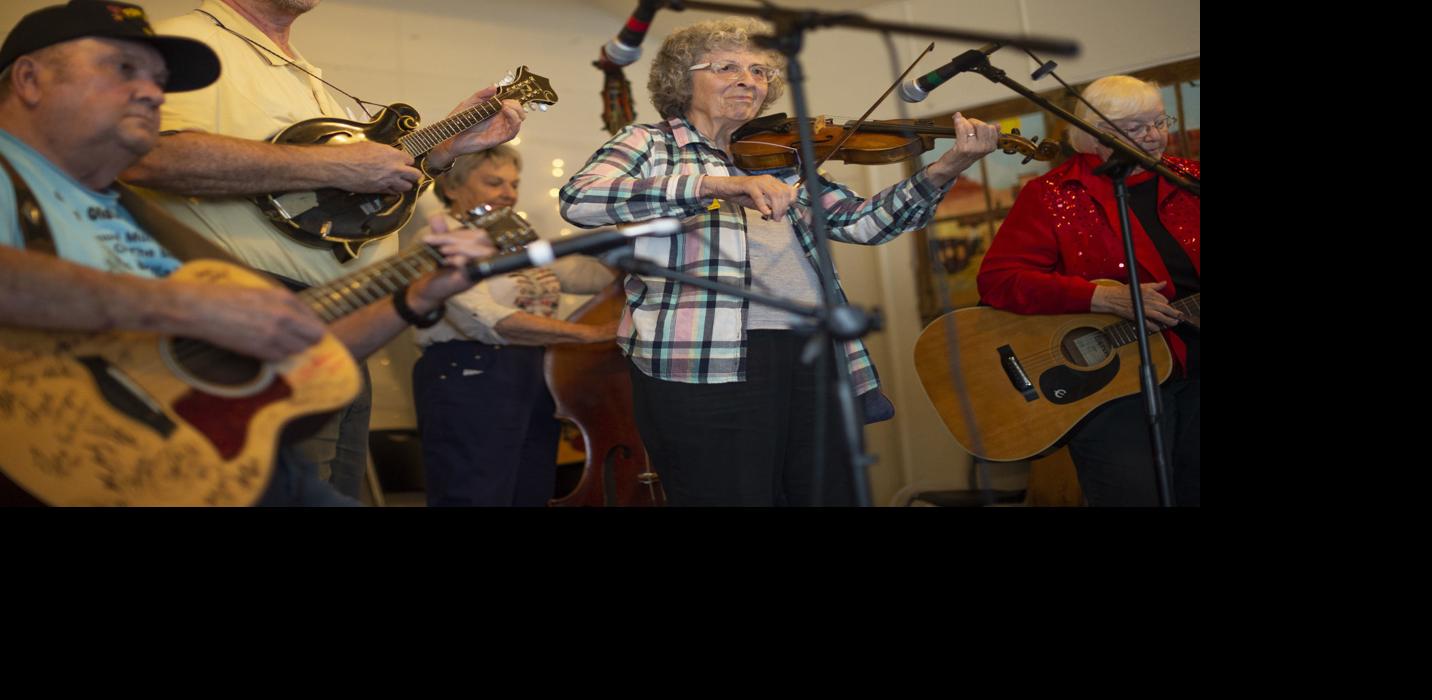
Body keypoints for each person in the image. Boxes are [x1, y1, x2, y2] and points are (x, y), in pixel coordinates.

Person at [0, 0, 497, 506]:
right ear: (29, 80)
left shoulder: (131, 210)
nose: (152, 92)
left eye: (158, 79)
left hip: (205, 424)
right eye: (123, 68)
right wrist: (195, 306)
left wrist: (416, 294)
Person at [559, 16, 1000, 506]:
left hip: (812, 349)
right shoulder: (649, 143)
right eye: (727, 67)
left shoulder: (783, 156)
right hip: (703, 358)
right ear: (683, 79)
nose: (748, 80)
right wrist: (714, 184)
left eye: (759, 71)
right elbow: (580, 198)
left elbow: (863, 222)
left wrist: (945, 169)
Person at [976, 74, 1199, 506]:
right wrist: (1099, 297)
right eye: (1136, 128)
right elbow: (999, 281)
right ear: (1096, 136)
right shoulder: (1051, 195)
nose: (1154, 135)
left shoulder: (1191, 181)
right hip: (1114, 386)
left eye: (1159, 121)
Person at [412, 145, 619, 506]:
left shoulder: (515, 236)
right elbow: (485, 319)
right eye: (494, 183)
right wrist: (592, 334)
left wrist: (628, 239)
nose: (508, 193)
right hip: (470, 371)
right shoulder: (437, 237)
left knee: (531, 492)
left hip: (535, 372)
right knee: (475, 495)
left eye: (513, 183)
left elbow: (588, 277)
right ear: (452, 187)